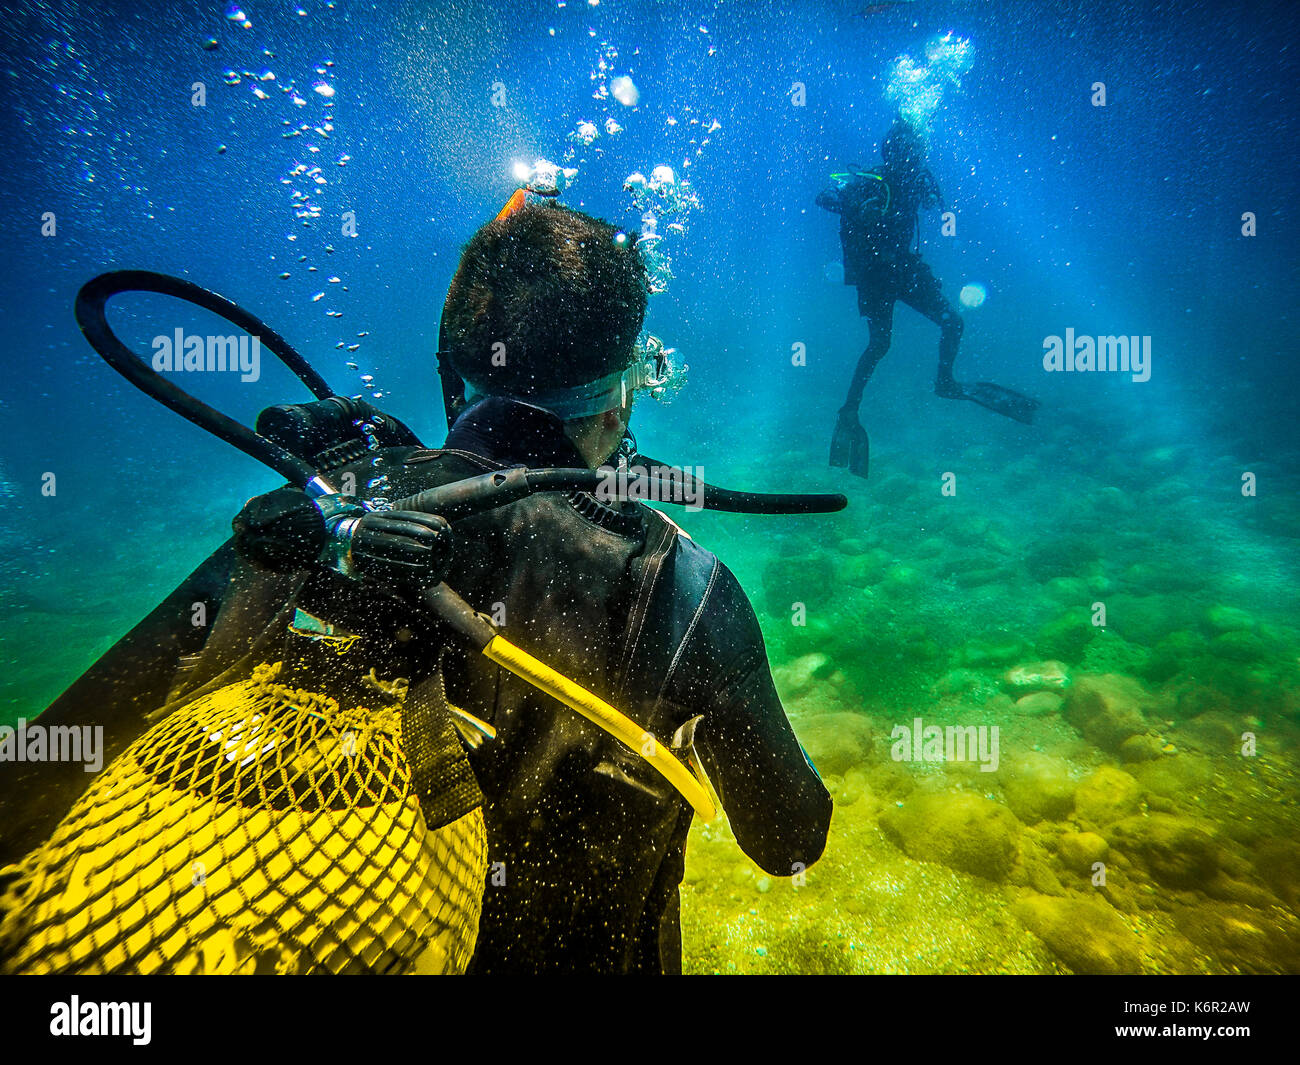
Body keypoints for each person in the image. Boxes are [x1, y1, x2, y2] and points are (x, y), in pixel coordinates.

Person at [817, 117, 1039, 478]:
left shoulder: (916, 180)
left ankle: (945, 383)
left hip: (904, 270)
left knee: (953, 321)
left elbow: (933, 202)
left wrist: (925, 192)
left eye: (916, 152)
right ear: (891, 154)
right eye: (905, 152)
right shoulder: (875, 182)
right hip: (876, 276)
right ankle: (849, 411)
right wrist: (856, 208)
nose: (912, 159)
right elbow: (826, 196)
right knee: (879, 344)